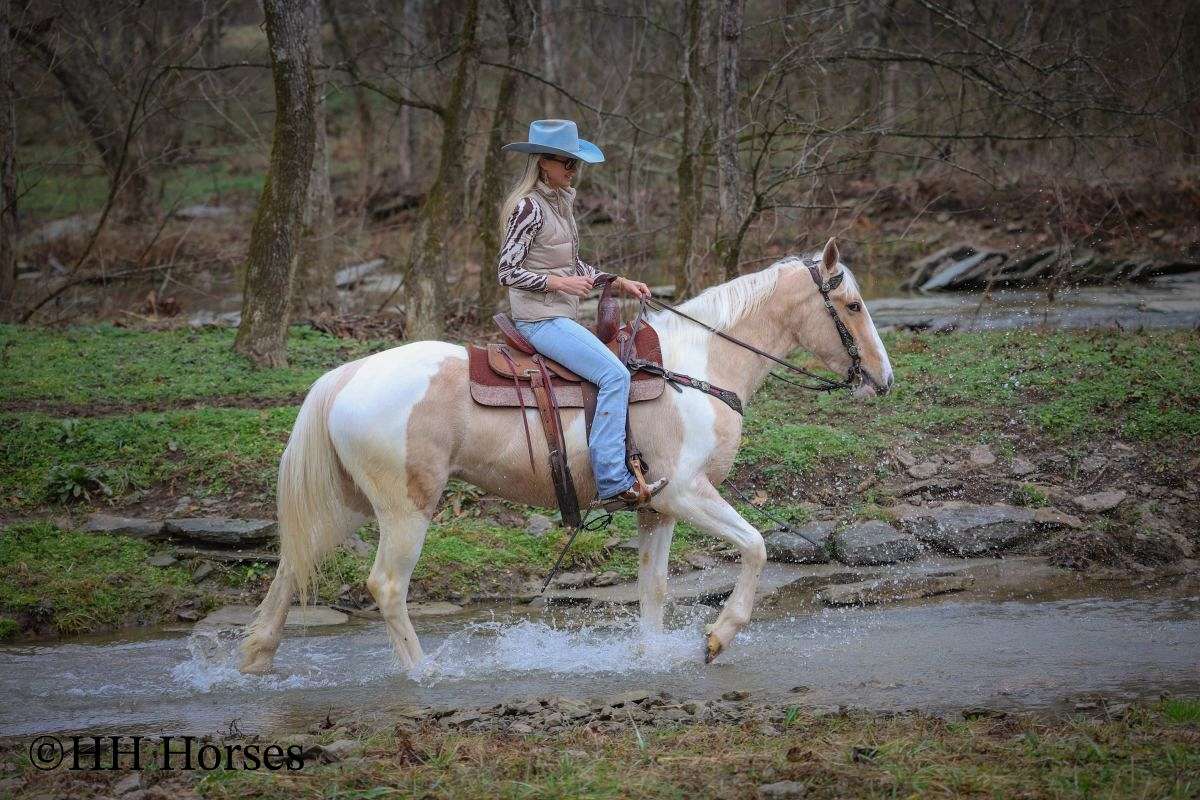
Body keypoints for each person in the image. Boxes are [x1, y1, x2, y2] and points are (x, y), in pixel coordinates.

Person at [498, 119, 667, 508]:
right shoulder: (529, 207)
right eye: (567, 163)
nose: (574, 171)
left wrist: (619, 281)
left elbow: (571, 264)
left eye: (577, 164)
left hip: (558, 315)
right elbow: (506, 271)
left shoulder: (560, 204)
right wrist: (559, 285)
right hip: (539, 319)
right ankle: (611, 480)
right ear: (544, 163)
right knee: (613, 375)